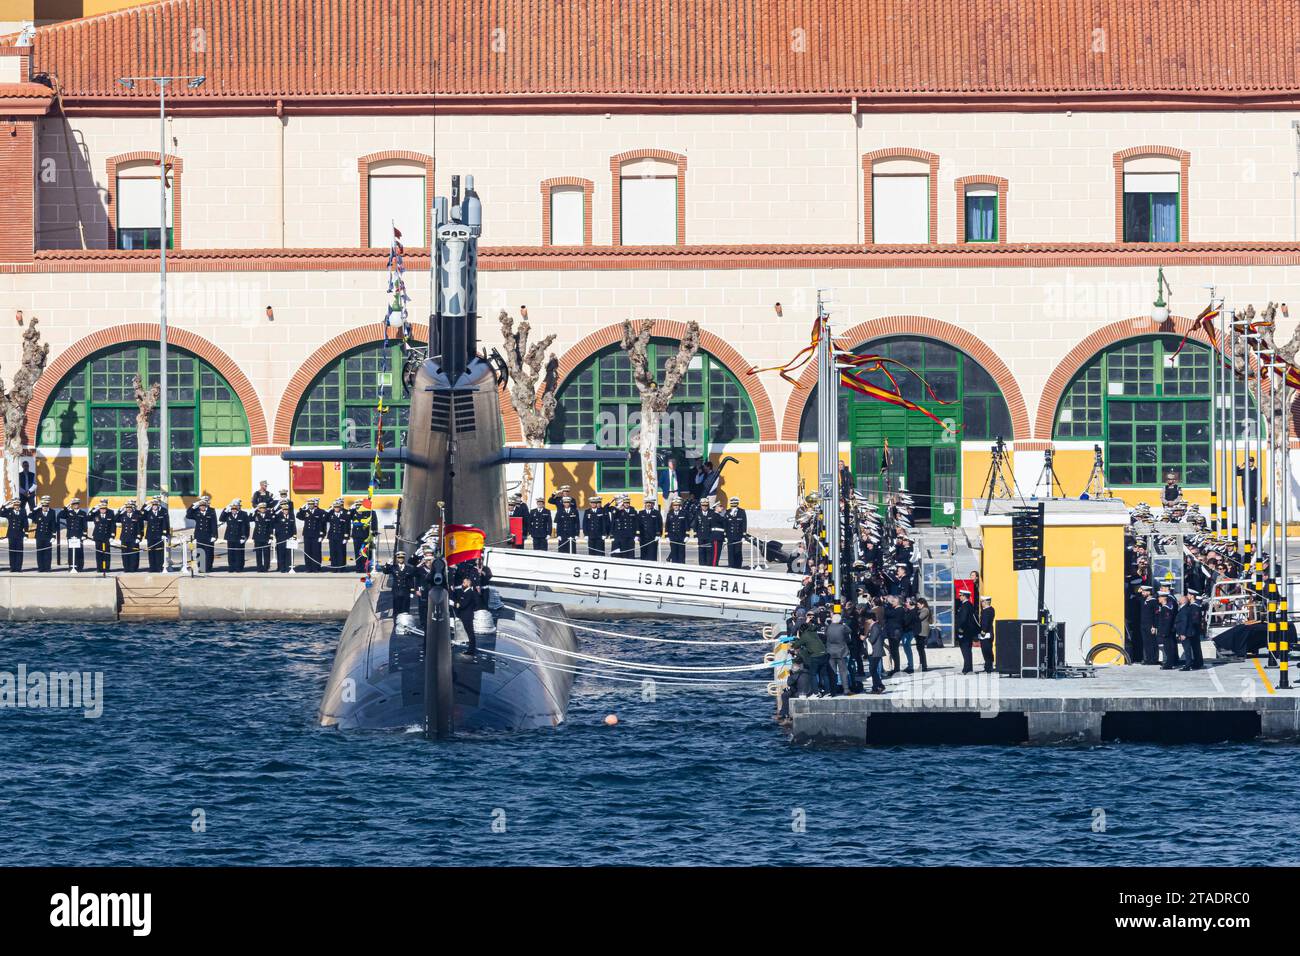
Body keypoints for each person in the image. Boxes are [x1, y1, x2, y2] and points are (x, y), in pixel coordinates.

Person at [1175, 590, 1205, 671]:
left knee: (1195, 647)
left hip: (1193, 629)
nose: (1187, 595)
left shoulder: (1194, 606)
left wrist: (1188, 630)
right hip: (1191, 629)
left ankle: (1198, 663)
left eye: (1188, 594)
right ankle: (1197, 662)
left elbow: (1195, 619)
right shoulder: (1191, 605)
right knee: (1194, 647)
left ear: (1192, 596)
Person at [187, 495, 218, 572]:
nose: (203, 505)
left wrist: (214, 535)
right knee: (200, 552)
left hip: (209, 535)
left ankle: (208, 568)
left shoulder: (211, 511)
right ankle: (201, 568)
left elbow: (214, 524)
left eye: (205, 502)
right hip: (199, 535)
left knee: (209, 552)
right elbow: (188, 515)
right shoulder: (197, 510)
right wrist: (194, 505)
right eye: (201, 503)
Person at [380, 551, 416, 616]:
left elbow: (411, 580)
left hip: (405, 592)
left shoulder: (409, 568)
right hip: (396, 591)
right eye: (399, 558)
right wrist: (388, 563)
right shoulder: (393, 567)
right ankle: (396, 624)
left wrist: (412, 591)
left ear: (404, 558)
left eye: (402, 557)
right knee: (396, 610)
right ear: (397, 558)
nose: (400, 559)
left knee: (405, 610)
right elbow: (385, 571)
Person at [824, 611, 851, 695]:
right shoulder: (842, 627)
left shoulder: (828, 627)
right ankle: (846, 689)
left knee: (832, 672)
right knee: (843, 671)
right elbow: (850, 631)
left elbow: (825, 636)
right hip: (841, 652)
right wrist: (843, 624)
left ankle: (833, 690)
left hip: (830, 651)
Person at [30, 495, 59, 572]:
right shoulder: (38, 512)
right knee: (40, 553)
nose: (45, 507)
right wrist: (36, 508)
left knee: (48, 553)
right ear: (41, 506)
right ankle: (40, 568)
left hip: (48, 536)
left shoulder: (52, 512)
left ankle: (47, 568)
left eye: (46, 506)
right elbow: (29, 516)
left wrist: (54, 536)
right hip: (39, 536)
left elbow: (53, 524)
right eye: (43, 506)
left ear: (48, 505)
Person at [220, 499, 250, 572]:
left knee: (239, 553)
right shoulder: (228, 514)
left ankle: (239, 567)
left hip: (239, 537)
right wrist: (225, 510)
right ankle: (231, 567)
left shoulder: (243, 514)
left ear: (238, 508)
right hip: (230, 537)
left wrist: (245, 537)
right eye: (232, 508)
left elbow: (246, 527)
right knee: (231, 553)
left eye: (235, 508)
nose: (234, 510)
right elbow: (221, 519)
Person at [295, 498, 325, 572]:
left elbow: (323, 524)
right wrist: (301, 509)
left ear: (314, 504)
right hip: (307, 534)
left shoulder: (320, 511)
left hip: (316, 535)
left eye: (312, 504)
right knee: (308, 552)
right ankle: (308, 568)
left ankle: (316, 568)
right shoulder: (305, 512)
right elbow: (298, 516)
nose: (310, 505)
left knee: (316, 552)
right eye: (309, 504)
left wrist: (322, 535)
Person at [59, 497, 88, 573]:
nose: (75, 505)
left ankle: (80, 566)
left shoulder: (83, 513)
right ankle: (71, 566)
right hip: (71, 535)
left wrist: (85, 534)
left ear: (79, 504)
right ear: (72, 505)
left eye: (77, 504)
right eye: (74, 504)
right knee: (71, 551)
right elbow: (60, 515)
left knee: (79, 551)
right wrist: (65, 507)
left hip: (79, 535)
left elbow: (85, 524)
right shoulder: (68, 512)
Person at [142, 495, 170, 572]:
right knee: (151, 552)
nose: (154, 506)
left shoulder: (163, 511)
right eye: (153, 504)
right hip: (150, 535)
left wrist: (165, 534)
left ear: (158, 504)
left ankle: (159, 567)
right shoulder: (148, 511)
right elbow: (141, 513)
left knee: (159, 552)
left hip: (159, 535)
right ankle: (152, 567)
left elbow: (165, 523)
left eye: (156, 504)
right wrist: (146, 503)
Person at [453, 574, 480, 655]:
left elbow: (463, 604)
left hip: (467, 616)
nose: (462, 584)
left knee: (470, 633)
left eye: (464, 583)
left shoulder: (469, 593)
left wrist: (455, 604)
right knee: (469, 632)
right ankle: (471, 648)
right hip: (466, 615)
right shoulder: (465, 592)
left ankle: (471, 650)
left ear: (468, 583)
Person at [955, 589, 980, 674]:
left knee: (965, 651)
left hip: (964, 632)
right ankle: (968, 668)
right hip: (968, 632)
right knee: (968, 651)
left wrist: (960, 630)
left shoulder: (965, 605)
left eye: (960, 595)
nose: (959, 597)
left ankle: (966, 669)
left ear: (965, 596)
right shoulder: (968, 605)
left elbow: (963, 619)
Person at [349, 498, 376, 572]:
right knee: (357, 552)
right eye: (357, 506)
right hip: (356, 535)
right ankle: (358, 568)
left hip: (365, 535)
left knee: (365, 552)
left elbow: (374, 522)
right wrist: (351, 509)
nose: (358, 507)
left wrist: (374, 531)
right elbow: (347, 516)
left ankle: (365, 568)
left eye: (360, 505)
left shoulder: (368, 512)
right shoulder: (353, 512)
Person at [0, 498, 27, 572]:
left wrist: (26, 534)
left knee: (19, 551)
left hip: (20, 534)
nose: (17, 506)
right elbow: (1, 513)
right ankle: (12, 567)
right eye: (15, 505)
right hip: (11, 534)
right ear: (13, 505)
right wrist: (4, 505)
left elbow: (25, 522)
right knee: (12, 552)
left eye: (18, 505)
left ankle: (18, 568)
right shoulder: (10, 511)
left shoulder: (23, 511)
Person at [89, 498, 115, 573]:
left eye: (105, 504)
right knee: (99, 553)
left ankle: (106, 568)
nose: (103, 509)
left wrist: (112, 536)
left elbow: (113, 525)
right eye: (101, 508)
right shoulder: (96, 512)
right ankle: (99, 568)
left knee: (106, 553)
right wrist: (94, 509)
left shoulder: (110, 512)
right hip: (98, 536)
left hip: (106, 536)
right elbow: (88, 517)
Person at [324, 498, 351, 569]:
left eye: (338, 507)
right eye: (335, 507)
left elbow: (347, 526)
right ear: (333, 507)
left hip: (341, 536)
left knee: (341, 552)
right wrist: (328, 511)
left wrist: (346, 537)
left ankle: (341, 567)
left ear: (340, 507)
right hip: (332, 536)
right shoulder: (331, 514)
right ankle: (334, 567)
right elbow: (324, 519)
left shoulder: (344, 515)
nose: (337, 508)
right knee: (333, 552)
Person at [118, 499, 144, 572]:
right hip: (124, 538)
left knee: (134, 554)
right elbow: (115, 518)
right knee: (125, 554)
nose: (128, 509)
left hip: (133, 538)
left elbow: (139, 527)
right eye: (127, 508)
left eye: (130, 508)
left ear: (132, 508)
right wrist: (120, 509)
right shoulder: (123, 515)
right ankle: (126, 568)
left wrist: (139, 537)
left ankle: (133, 568)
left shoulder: (136, 516)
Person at [610, 496, 638, 560]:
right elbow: (613, 517)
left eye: (628, 503)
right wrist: (617, 508)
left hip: (631, 534)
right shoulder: (619, 511)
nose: (627, 504)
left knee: (630, 552)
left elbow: (636, 523)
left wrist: (637, 534)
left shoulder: (633, 510)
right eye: (625, 503)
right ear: (623, 504)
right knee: (623, 552)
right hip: (622, 535)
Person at [1155, 589, 1178, 669]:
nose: (1158, 599)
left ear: (1163, 598)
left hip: (1167, 632)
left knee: (1168, 648)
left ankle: (1169, 664)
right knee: (1168, 647)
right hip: (1166, 631)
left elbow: (1167, 622)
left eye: (1159, 597)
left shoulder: (1166, 608)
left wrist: (1165, 632)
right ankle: (1169, 663)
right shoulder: (1166, 607)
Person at [272, 501, 296, 572]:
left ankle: (288, 567)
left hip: (289, 537)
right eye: (284, 510)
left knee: (289, 553)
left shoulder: (291, 516)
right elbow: (274, 523)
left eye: (287, 510)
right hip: (281, 538)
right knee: (281, 553)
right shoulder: (278, 516)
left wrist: (294, 535)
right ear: (282, 510)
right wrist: (277, 536)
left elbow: (293, 526)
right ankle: (281, 568)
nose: (286, 511)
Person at [724, 496, 747, 569]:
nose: (733, 506)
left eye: (735, 504)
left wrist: (744, 535)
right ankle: (731, 565)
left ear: (737, 504)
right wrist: (725, 536)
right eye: (732, 504)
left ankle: (738, 566)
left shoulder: (741, 512)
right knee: (730, 552)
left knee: (738, 551)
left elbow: (744, 524)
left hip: (738, 536)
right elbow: (725, 524)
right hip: (730, 536)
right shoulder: (728, 512)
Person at [251, 501, 274, 572]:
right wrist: (253, 511)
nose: (263, 509)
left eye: (264, 508)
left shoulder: (269, 515)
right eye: (261, 508)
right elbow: (249, 519)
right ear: (258, 509)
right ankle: (259, 567)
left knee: (266, 553)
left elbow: (271, 527)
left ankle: (266, 567)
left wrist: (271, 537)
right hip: (257, 537)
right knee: (258, 553)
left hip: (266, 537)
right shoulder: (256, 515)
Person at [665, 496, 689, 563]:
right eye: (674, 505)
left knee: (681, 554)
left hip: (681, 537)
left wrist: (687, 535)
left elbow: (687, 525)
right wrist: (666, 536)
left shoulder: (684, 513)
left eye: (677, 505)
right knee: (674, 553)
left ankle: (682, 567)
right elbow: (667, 526)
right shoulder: (670, 514)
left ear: (679, 506)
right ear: (672, 506)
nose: (676, 507)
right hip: (673, 537)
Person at [1139, 585, 1160, 664]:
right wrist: (1139, 591)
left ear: (1149, 592)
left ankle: (1153, 659)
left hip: (1150, 625)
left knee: (1152, 642)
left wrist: (1154, 626)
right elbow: (1138, 598)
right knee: (1146, 642)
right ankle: (1148, 658)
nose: (1142, 593)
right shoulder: (1144, 600)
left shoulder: (1154, 601)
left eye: (1144, 591)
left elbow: (1156, 615)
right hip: (1143, 624)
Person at [978, 595, 996, 673]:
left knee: (986, 651)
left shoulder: (987, 611)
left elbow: (986, 622)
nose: (981, 603)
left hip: (986, 634)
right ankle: (988, 666)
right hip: (988, 633)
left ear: (986, 602)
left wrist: (983, 631)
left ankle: (988, 667)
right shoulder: (990, 610)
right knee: (987, 650)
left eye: (982, 602)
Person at [914, 596, 932, 670]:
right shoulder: (922, 610)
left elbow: (919, 618)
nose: (917, 606)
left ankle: (923, 666)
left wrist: (914, 612)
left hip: (922, 632)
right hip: (920, 631)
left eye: (918, 605)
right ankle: (922, 665)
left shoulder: (925, 610)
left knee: (921, 649)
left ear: (922, 604)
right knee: (920, 649)